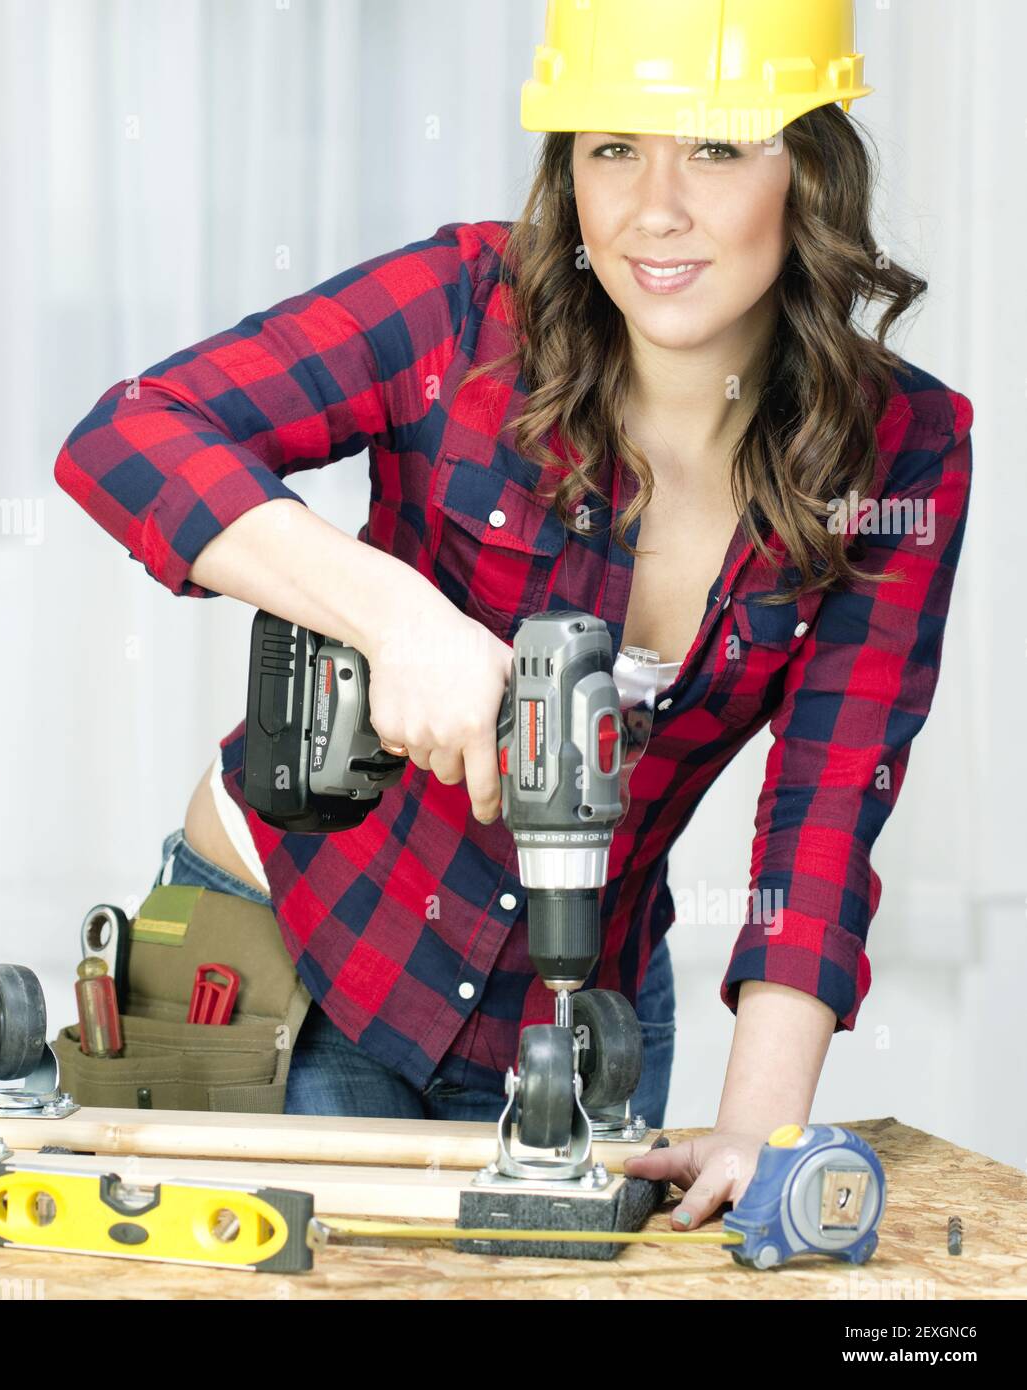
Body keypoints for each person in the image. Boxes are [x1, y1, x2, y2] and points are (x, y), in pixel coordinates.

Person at [53, 0, 973, 1230]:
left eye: (713, 147)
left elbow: (826, 801)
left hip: (576, 1024)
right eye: (610, 147)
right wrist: (399, 620)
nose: (655, 207)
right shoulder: (464, 311)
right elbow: (131, 435)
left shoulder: (898, 450)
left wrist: (759, 1132)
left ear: (808, 167)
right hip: (285, 971)